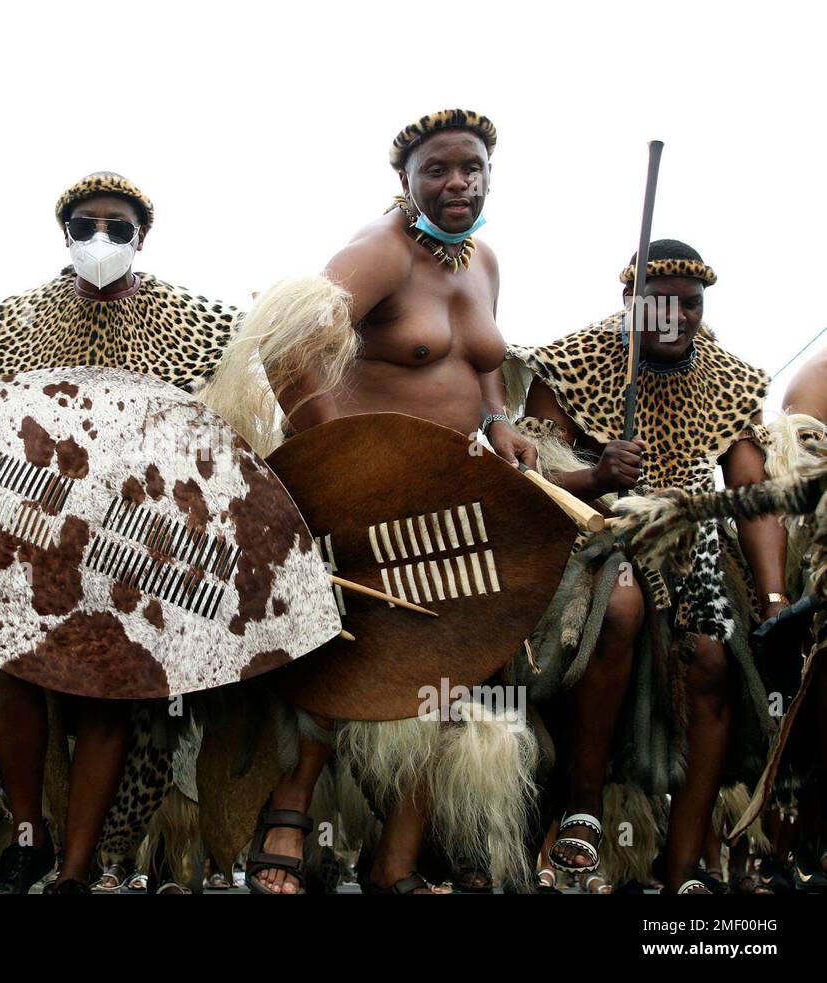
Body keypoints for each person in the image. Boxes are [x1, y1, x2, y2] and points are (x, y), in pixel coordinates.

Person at [202, 109, 540, 894]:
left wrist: (500, 420)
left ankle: (394, 859)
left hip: (460, 496)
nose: (457, 183)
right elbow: (286, 347)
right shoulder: (379, 253)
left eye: (472, 168)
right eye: (438, 170)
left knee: (461, 661)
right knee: (371, 646)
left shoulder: (483, 258)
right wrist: (349, 466)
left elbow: (485, 356)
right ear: (405, 181)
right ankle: (289, 808)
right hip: (373, 498)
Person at [0, 171, 239, 893]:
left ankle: (78, 866)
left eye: (117, 226)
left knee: (108, 691)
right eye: (85, 225)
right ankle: (29, 834)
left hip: (135, 537)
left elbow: (207, 444)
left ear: (142, 236)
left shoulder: (194, 324)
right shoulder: (12, 324)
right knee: (9, 672)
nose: (101, 238)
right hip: (34, 519)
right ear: (65, 234)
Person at [512, 239, 786, 894]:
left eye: (690, 306)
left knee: (716, 659)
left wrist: (775, 599)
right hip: (592, 536)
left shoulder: (728, 378)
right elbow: (531, 478)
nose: (677, 320)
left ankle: (684, 861)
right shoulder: (573, 361)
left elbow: (753, 498)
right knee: (620, 606)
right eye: (661, 306)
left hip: (688, 543)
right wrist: (595, 473)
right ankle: (581, 809)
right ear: (630, 304)